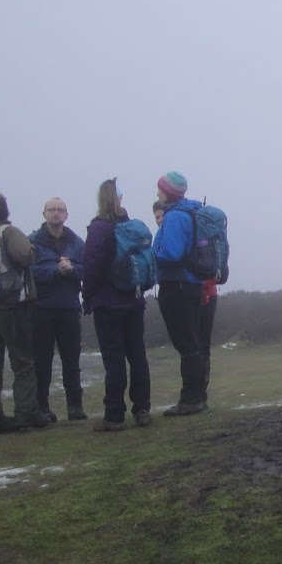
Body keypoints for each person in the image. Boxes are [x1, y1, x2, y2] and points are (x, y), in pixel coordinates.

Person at [0, 193, 48, 432]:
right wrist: (31, 247)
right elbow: (25, 255)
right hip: (12, 307)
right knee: (23, 362)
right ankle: (26, 414)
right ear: (4, 211)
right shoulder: (8, 232)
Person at [82, 179, 153, 431]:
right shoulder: (130, 227)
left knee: (114, 359)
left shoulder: (99, 228)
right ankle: (142, 408)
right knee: (137, 355)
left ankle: (114, 414)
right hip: (134, 300)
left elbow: (91, 266)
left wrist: (87, 296)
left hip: (108, 303)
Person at [152, 171, 209, 415]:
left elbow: (172, 254)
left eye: (160, 189)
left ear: (168, 192)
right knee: (193, 343)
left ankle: (190, 399)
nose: (158, 193)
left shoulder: (175, 217)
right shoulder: (194, 211)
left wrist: (150, 253)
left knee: (187, 345)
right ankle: (198, 396)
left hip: (177, 286)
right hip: (194, 285)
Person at [29, 197, 87, 421]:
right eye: (51, 210)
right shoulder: (32, 241)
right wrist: (57, 270)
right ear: (44, 214)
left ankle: (75, 406)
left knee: (71, 360)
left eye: (60, 210)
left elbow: (87, 270)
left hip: (69, 309)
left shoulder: (76, 242)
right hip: (41, 309)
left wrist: (72, 269)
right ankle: (41, 406)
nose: (56, 214)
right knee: (41, 361)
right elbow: (29, 271)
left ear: (66, 215)